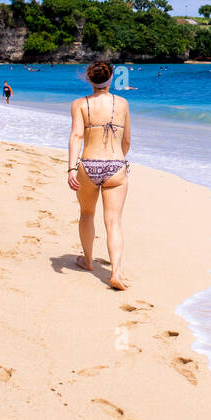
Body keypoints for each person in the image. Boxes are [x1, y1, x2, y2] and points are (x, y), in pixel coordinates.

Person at [68, 61, 131, 290]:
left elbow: (76, 136)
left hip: (88, 165)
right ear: (111, 78)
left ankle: (87, 260)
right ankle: (116, 272)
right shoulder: (122, 103)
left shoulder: (79, 104)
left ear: (89, 79)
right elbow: (126, 141)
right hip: (115, 166)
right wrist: (117, 161)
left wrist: (71, 169)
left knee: (87, 213)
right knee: (113, 222)